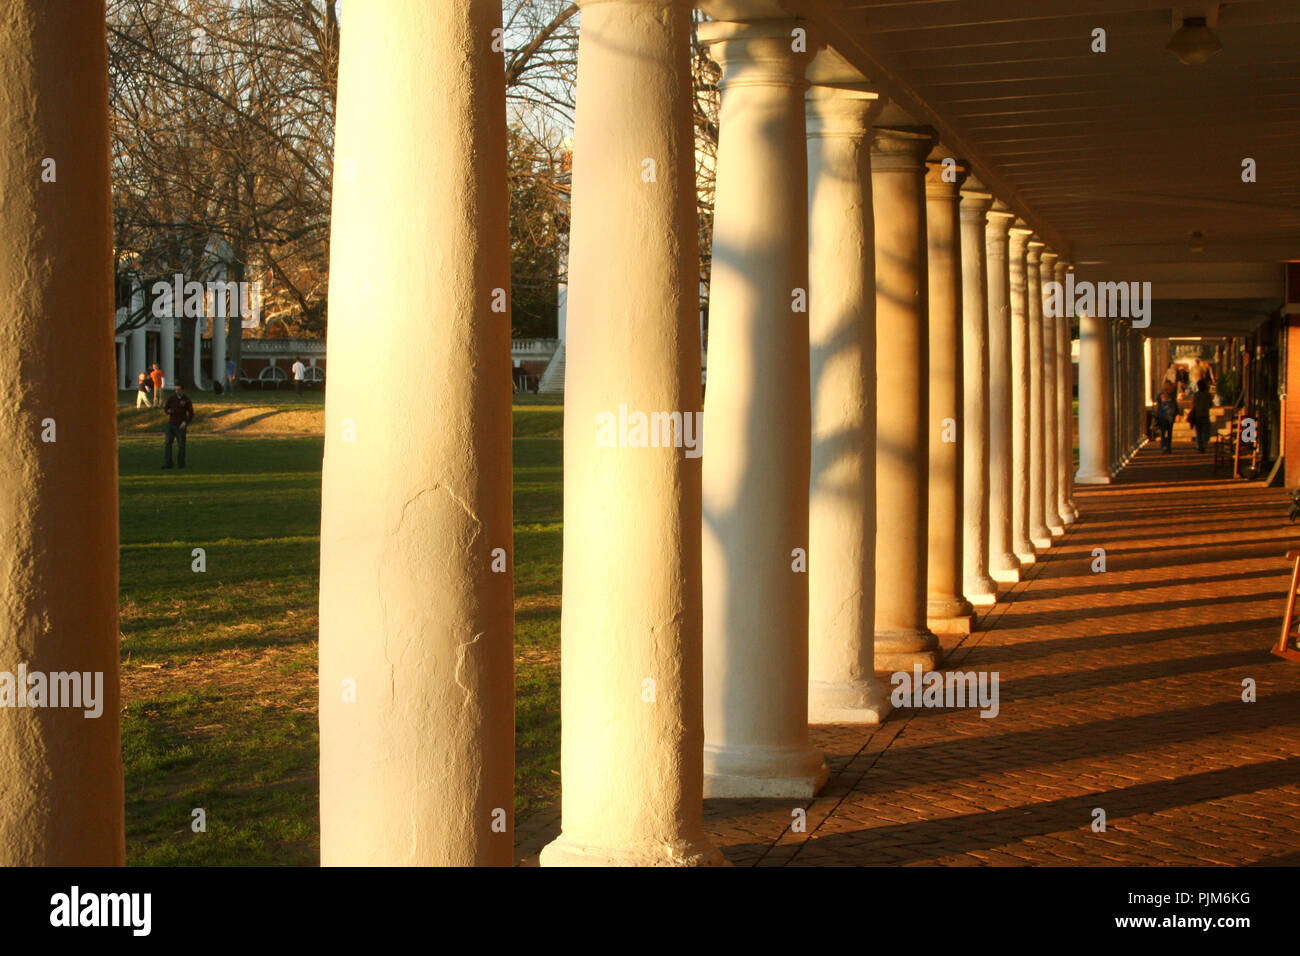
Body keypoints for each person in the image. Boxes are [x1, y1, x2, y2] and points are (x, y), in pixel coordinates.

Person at [162, 383, 194, 469]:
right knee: (168, 443)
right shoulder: (172, 398)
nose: (177, 391)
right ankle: (168, 463)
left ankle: (181, 464)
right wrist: (168, 411)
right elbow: (166, 408)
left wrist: (185, 422)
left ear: (182, 390)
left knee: (181, 445)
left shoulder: (186, 400)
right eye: (176, 389)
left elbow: (191, 414)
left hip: (180, 426)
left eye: (179, 390)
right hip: (171, 424)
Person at [1191, 378, 1214, 452]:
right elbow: (1211, 405)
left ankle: (1199, 446)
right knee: (1205, 432)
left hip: (1198, 415)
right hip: (1205, 415)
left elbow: (1193, 405)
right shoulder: (1207, 395)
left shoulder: (1196, 395)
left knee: (1199, 432)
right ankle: (1203, 445)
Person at [1155, 383, 1179, 453]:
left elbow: (1158, 406)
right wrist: (1177, 413)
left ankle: (1163, 446)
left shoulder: (1160, 396)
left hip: (1162, 416)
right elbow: (1175, 405)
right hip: (1170, 417)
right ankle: (1168, 446)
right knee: (1169, 433)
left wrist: (1156, 415)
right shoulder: (1172, 396)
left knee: (1163, 433)